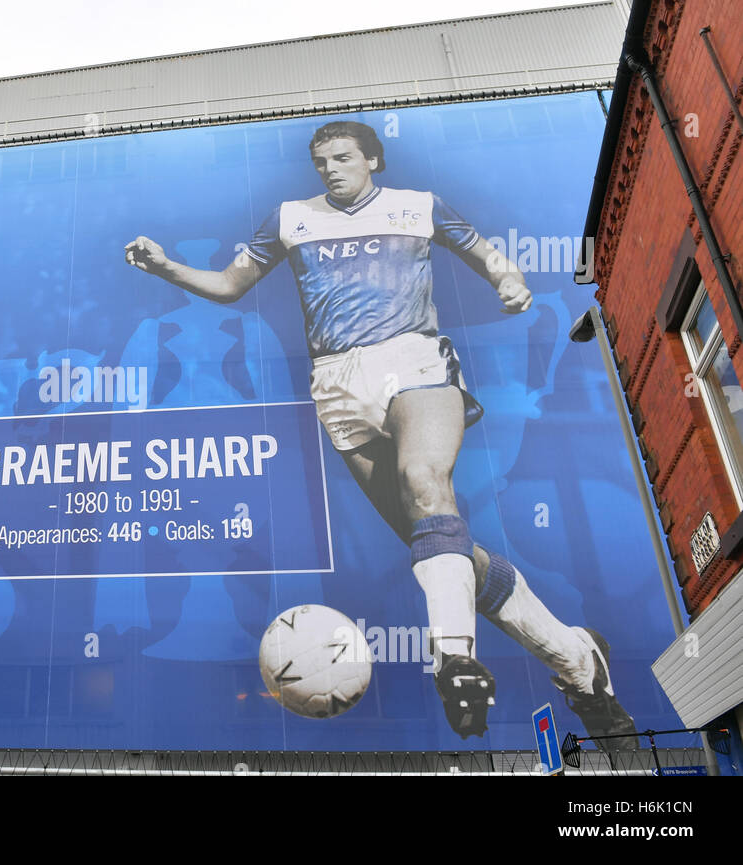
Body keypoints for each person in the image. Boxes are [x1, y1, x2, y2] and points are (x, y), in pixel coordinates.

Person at [124, 121, 637, 747]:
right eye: (321, 163)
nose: (331, 169)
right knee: (442, 548)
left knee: (427, 484)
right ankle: (578, 661)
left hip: (413, 360)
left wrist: (507, 279)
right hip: (337, 386)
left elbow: (484, 251)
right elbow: (231, 286)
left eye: (343, 158)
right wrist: (165, 269)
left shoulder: (417, 207)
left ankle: (453, 658)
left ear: (374, 159)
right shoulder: (292, 218)